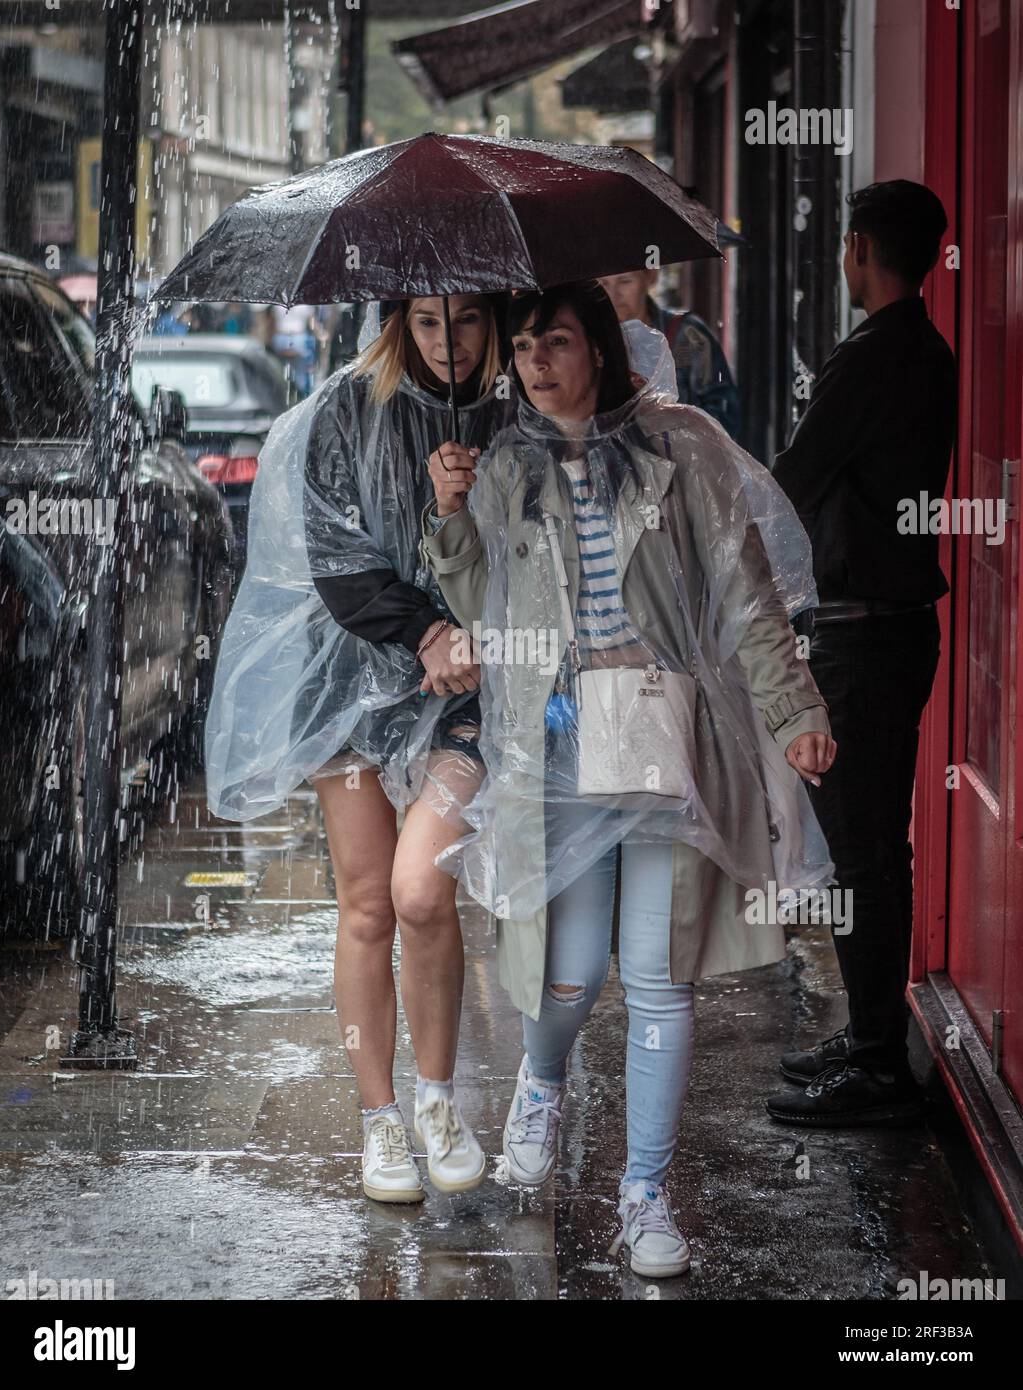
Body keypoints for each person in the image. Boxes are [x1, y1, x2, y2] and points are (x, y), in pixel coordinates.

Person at [421, 281, 836, 1276]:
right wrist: (451, 518)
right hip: (553, 751)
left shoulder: (679, 449)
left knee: (657, 975)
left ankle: (643, 1192)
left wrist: (793, 710)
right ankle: (543, 1073)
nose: (531, 363)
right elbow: (478, 606)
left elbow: (747, 592)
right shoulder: (506, 464)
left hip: (655, 741)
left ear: (597, 350)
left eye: (552, 342)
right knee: (570, 973)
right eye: (520, 346)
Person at [205, 293, 511, 1202]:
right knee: (368, 903)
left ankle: (438, 1100)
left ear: (492, 322)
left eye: (462, 322)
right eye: (424, 322)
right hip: (347, 677)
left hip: (466, 689)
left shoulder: (512, 414)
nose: (444, 341)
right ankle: (380, 1121)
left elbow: (537, 559)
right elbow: (335, 561)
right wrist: (425, 634)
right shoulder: (343, 408)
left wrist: (465, 506)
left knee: (424, 894)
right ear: (396, 324)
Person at [767, 180, 956, 1126]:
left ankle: (881, 1068)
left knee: (860, 854)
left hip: (859, 639)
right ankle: (873, 1037)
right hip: (896, 631)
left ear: (857, 248)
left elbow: (789, 482)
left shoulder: (869, 358)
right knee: (878, 846)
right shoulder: (929, 352)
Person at [598, 268, 741, 440]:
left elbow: (724, 412)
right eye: (603, 283)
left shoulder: (687, 335)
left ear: (651, 276)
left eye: (625, 281)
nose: (613, 294)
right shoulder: (593, 344)